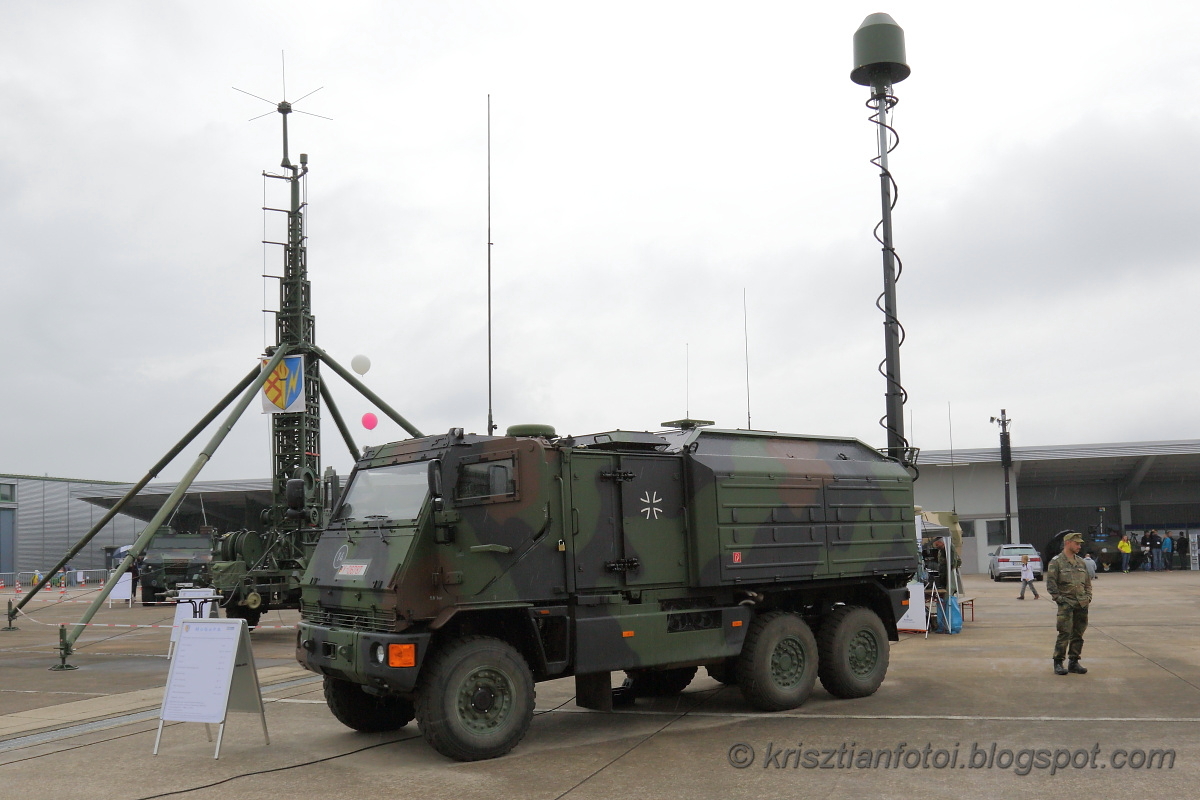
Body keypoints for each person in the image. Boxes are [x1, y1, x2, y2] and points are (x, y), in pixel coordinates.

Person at [1046, 531, 1092, 675]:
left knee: (1078, 634)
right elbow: (1051, 584)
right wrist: (1060, 599)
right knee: (1064, 634)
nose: (1079, 546)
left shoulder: (1081, 562)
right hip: (1066, 604)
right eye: (1076, 543)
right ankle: (1058, 662)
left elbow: (1087, 582)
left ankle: (1074, 662)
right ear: (1067, 543)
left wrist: (1088, 597)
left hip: (1081, 604)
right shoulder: (1056, 562)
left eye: (1080, 544)